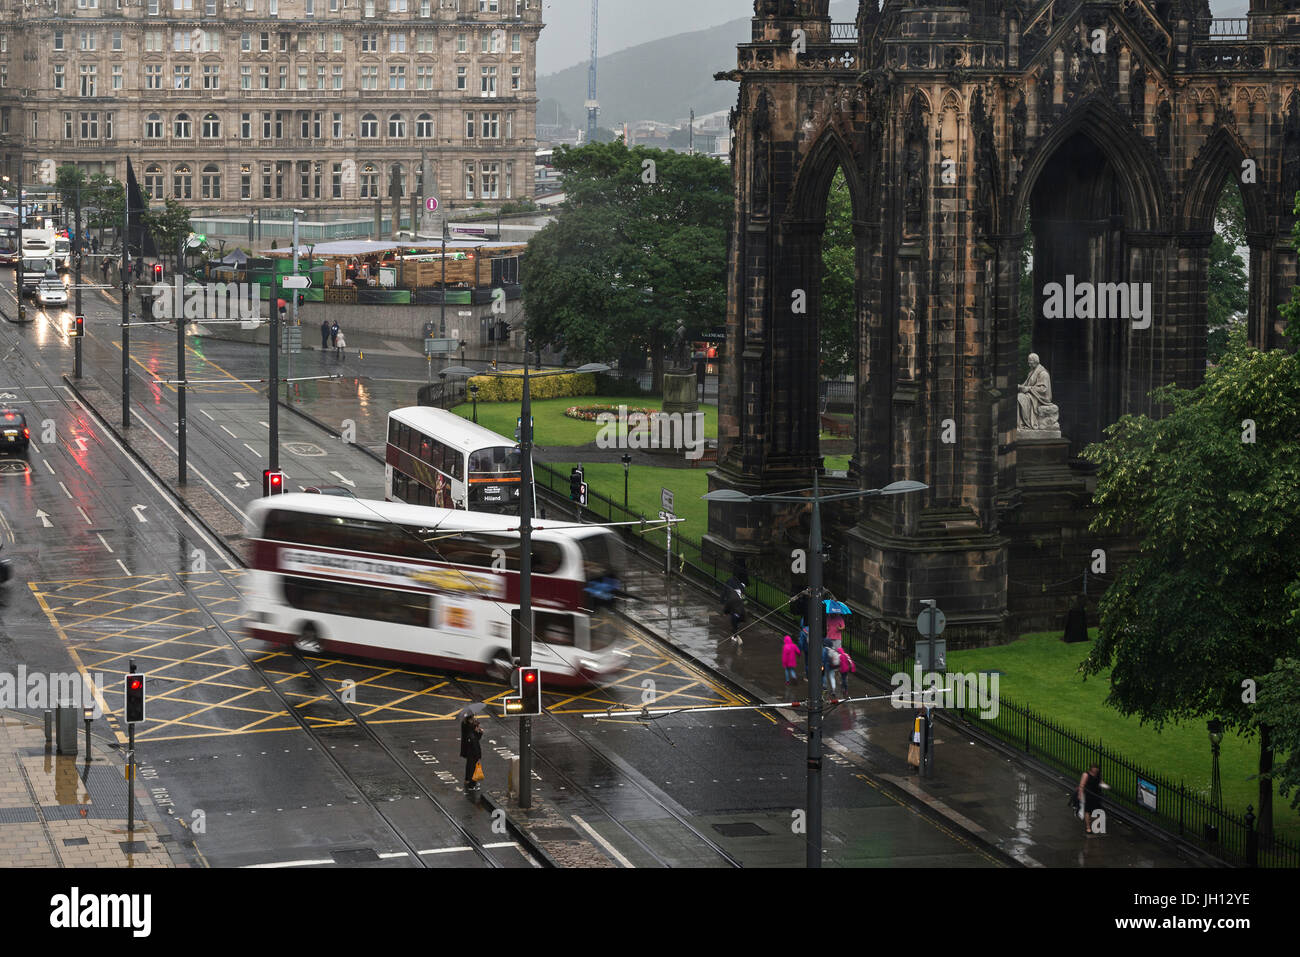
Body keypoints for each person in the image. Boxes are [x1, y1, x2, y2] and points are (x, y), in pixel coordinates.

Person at [1077, 763, 1103, 835]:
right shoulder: (1086, 775)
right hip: (1088, 796)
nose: (1096, 770)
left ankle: (1096, 826)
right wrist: (1080, 794)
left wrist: (1105, 786)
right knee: (1088, 811)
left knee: (1097, 811)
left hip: (1096, 795)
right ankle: (1088, 827)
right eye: (1094, 768)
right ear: (1091, 768)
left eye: (1096, 768)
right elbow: (1081, 785)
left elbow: (1100, 782)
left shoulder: (1098, 775)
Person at [460, 713, 483, 791]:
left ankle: (467, 780)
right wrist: (479, 732)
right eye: (473, 717)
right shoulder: (471, 732)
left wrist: (476, 729)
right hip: (472, 751)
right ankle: (472, 785)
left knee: (469, 765)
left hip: (467, 749)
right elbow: (476, 740)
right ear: (471, 718)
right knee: (472, 767)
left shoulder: (465, 724)